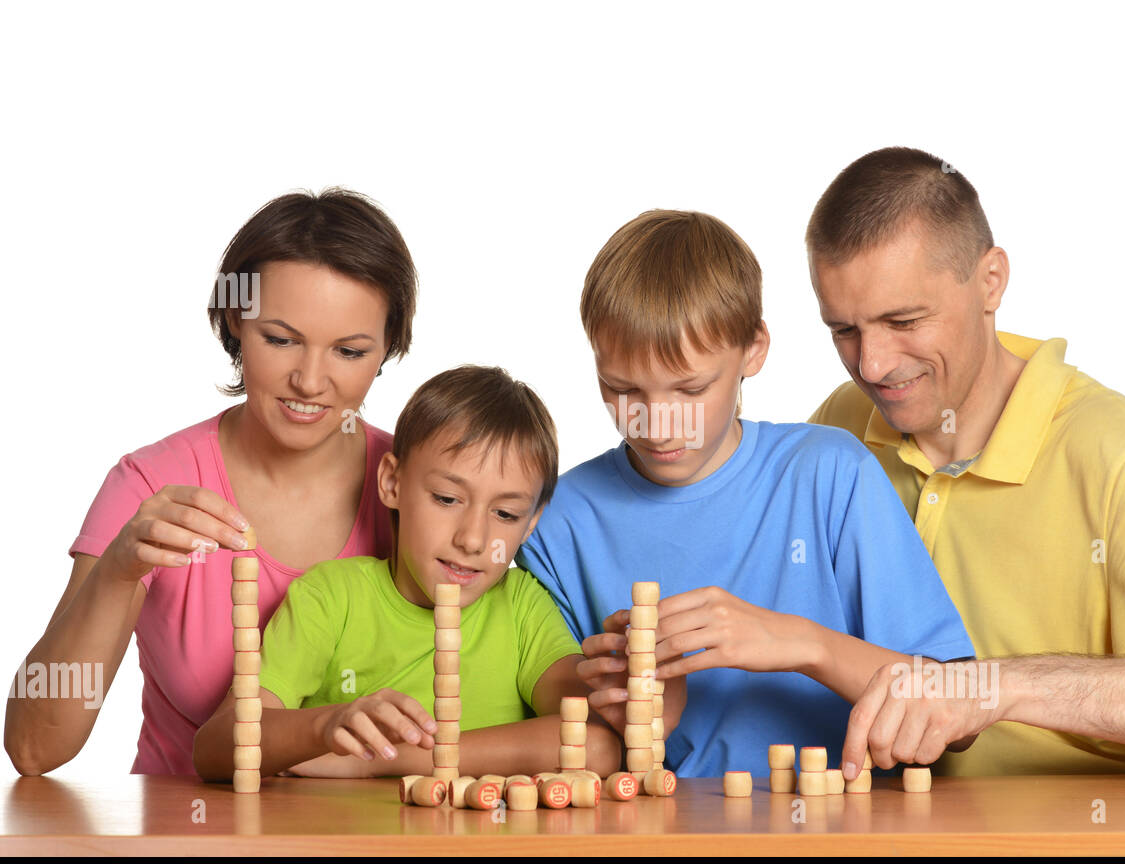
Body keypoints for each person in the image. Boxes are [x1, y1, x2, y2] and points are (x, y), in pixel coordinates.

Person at [806, 147, 1125, 777]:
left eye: (904, 320)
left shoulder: (1117, 451)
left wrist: (995, 687)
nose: (871, 364)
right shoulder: (841, 425)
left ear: (991, 280)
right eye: (843, 330)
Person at [516, 209, 974, 778]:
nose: (658, 424)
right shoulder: (555, 520)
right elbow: (544, 713)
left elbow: (960, 716)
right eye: (622, 388)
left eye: (691, 388)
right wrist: (613, 696)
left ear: (754, 349)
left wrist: (804, 643)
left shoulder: (831, 474)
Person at [5, 189, 418, 776]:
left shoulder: (420, 488)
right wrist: (119, 569)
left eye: (349, 351)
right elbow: (33, 748)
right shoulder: (151, 484)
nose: (309, 380)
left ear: (386, 351)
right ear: (235, 321)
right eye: (280, 339)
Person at [193, 365, 620, 780]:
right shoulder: (331, 598)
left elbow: (596, 743)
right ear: (392, 483)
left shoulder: (523, 606)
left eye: (506, 513)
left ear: (530, 523)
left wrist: (380, 759)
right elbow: (214, 748)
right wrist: (325, 727)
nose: (472, 539)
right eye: (447, 498)